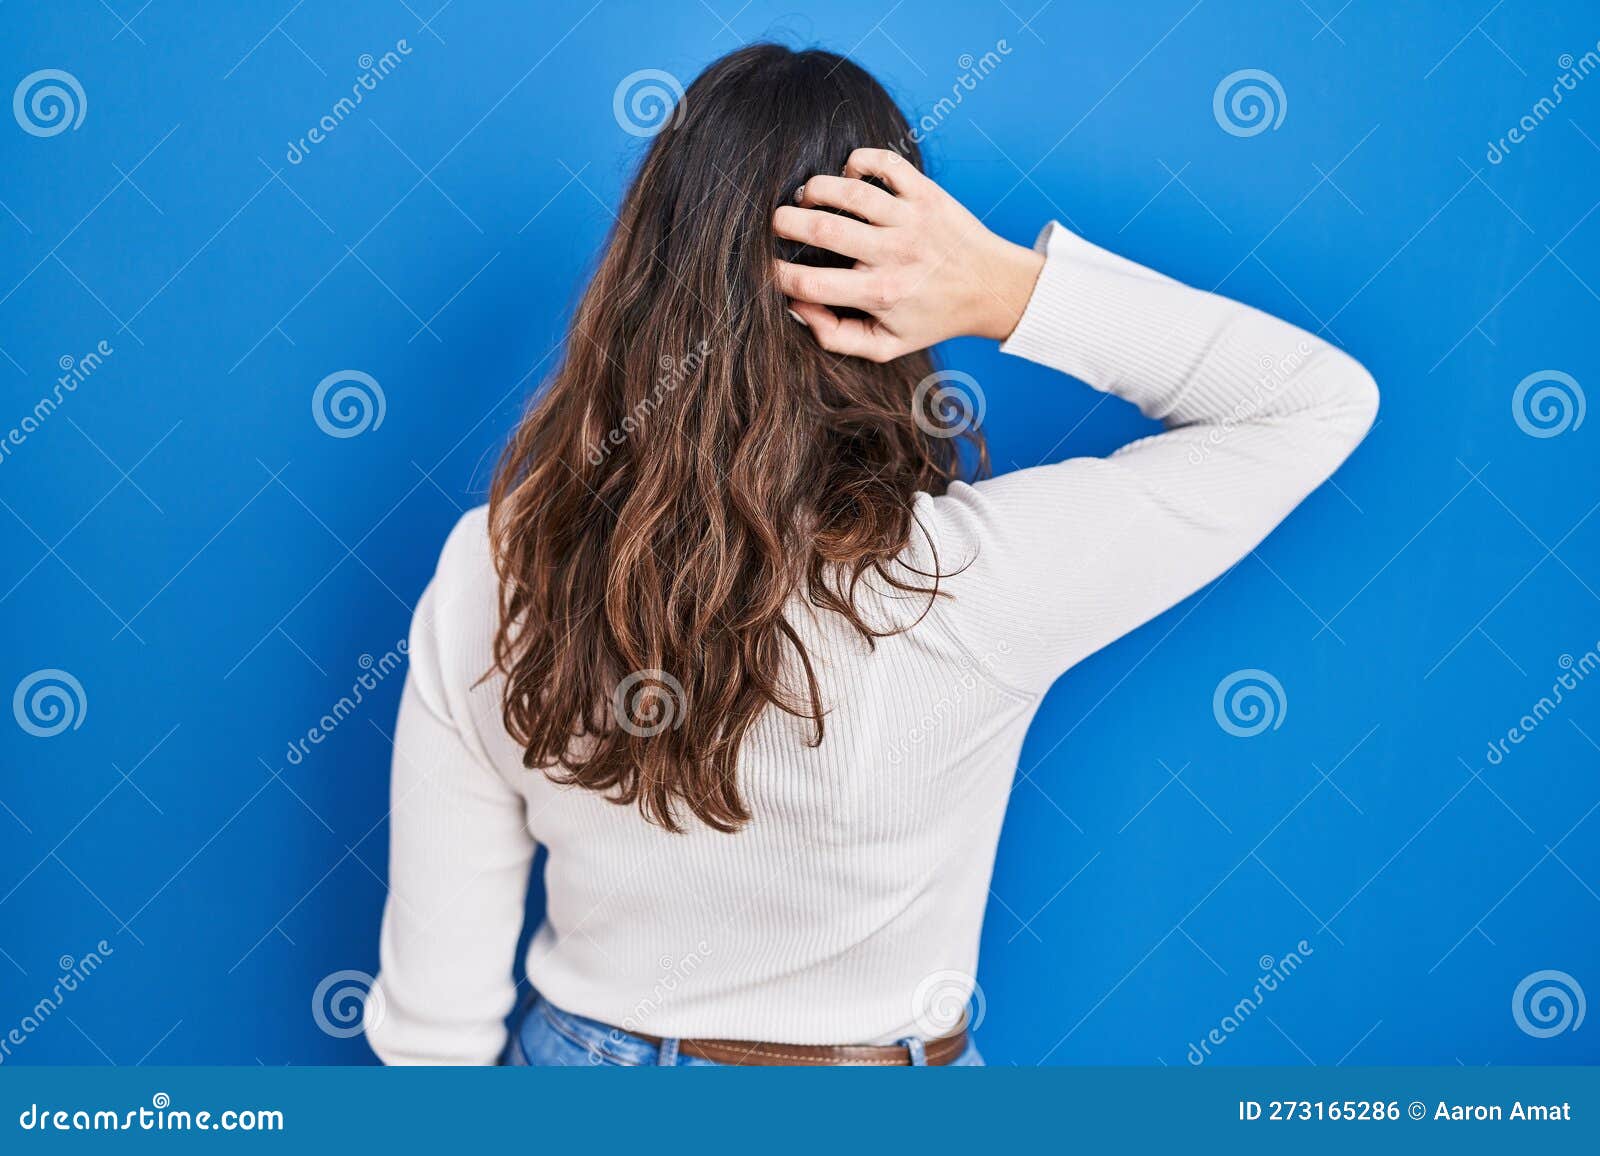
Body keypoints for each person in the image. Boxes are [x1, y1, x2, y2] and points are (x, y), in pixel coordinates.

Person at [365, 43, 1377, 1067]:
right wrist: (1006, 290)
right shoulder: (971, 579)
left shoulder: (496, 563)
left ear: (644, 268)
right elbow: (1316, 402)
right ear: (899, 290)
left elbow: (432, 1028)